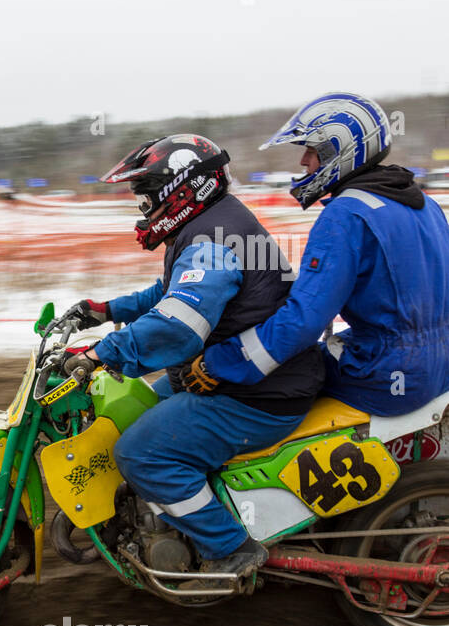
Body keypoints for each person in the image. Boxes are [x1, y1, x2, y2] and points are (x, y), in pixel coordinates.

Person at [63, 134, 324, 580]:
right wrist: (106, 311)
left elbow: (178, 325)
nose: (143, 210)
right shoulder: (215, 223)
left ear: (181, 191)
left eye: (147, 198)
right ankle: (160, 514)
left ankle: (230, 548)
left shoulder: (212, 240)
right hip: (245, 374)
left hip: (257, 392)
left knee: (141, 453)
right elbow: (170, 294)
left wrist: (105, 353)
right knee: (134, 408)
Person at [184, 92, 449, 418]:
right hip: (439, 368)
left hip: (386, 379)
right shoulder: (423, 203)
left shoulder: (346, 215)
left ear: (339, 151)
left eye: (312, 149)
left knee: (276, 380)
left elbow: (303, 320)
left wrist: (221, 362)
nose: (303, 161)